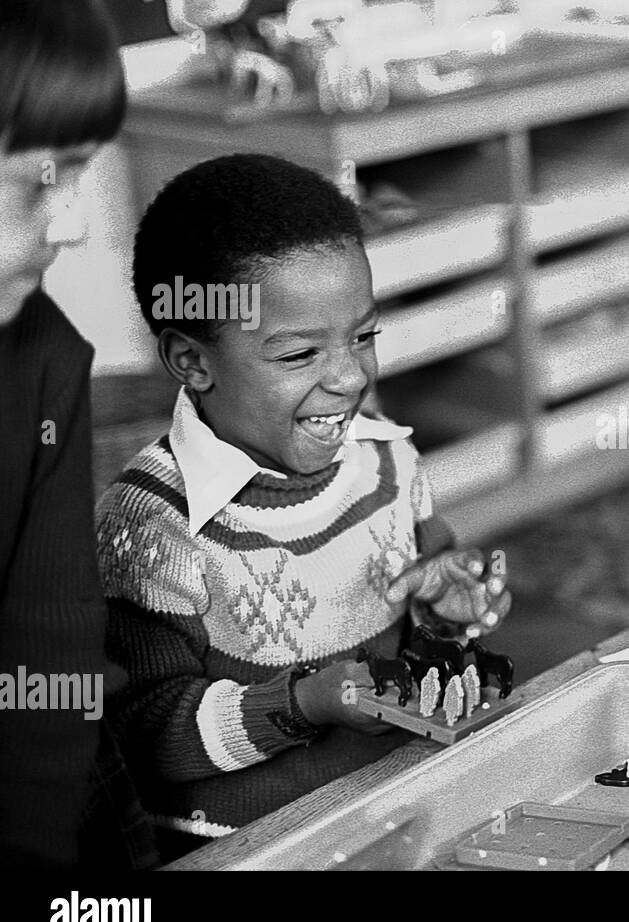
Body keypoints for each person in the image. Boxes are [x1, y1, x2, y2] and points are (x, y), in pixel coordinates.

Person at [98, 153, 511, 856]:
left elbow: (420, 645)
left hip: (391, 813)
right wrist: (301, 703)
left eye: (364, 336)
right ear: (193, 362)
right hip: (251, 848)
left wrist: (444, 623)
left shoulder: (387, 460)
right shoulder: (151, 527)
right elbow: (146, 737)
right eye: (299, 356)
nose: (350, 377)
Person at [0, 0, 157, 869]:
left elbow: (50, 641)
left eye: (82, 174)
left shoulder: (47, 357)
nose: (74, 225)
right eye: (38, 181)